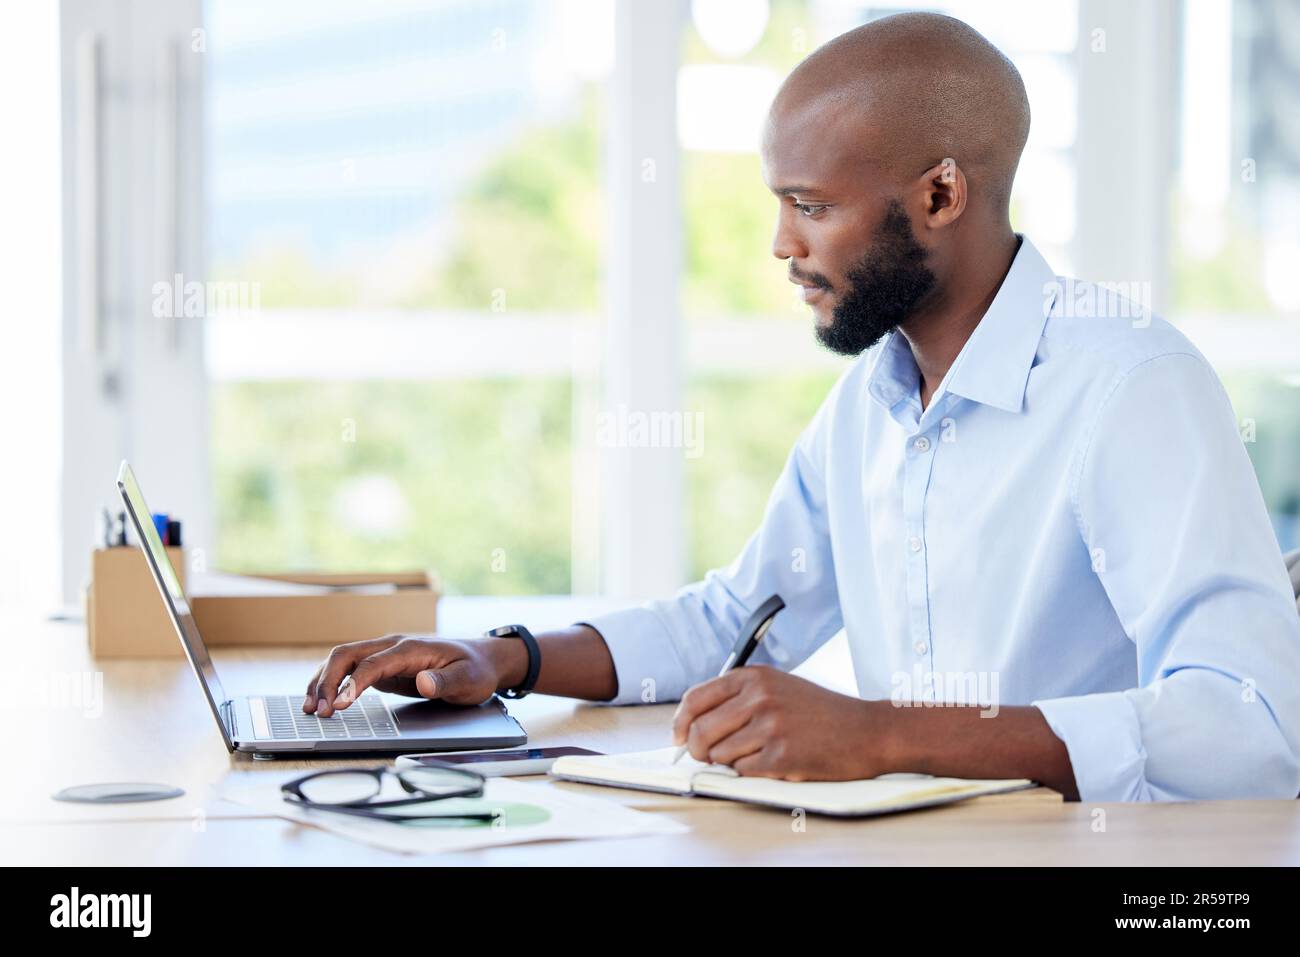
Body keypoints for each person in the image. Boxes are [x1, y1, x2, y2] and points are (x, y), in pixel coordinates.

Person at [302, 12, 1300, 803]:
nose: (782, 245)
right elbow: (735, 622)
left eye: (812, 207)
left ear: (942, 195)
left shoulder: (1130, 389)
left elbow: (1249, 730)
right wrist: (504, 659)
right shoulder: (871, 400)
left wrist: (879, 734)